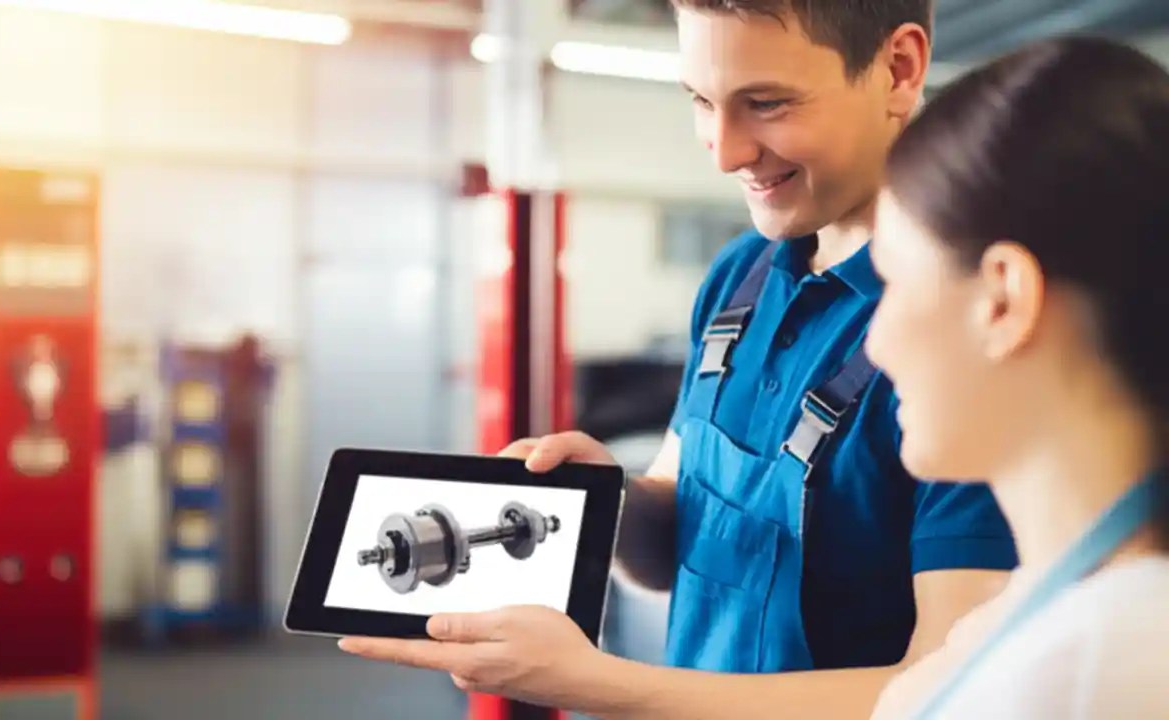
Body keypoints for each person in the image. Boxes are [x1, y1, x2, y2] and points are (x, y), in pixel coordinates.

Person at [339, 1, 1019, 716]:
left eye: (766, 104)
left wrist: (596, 684)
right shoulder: (740, 278)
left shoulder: (970, 325)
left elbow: (952, 690)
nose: (724, 152)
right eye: (700, 100)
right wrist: (609, 502)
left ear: (899, 69)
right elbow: (672, 542)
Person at [860, 36, 1169, 719]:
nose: (875, 345)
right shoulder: (1064, 621)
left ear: (1003, 298)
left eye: (892, 282)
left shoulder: (1090, 668)